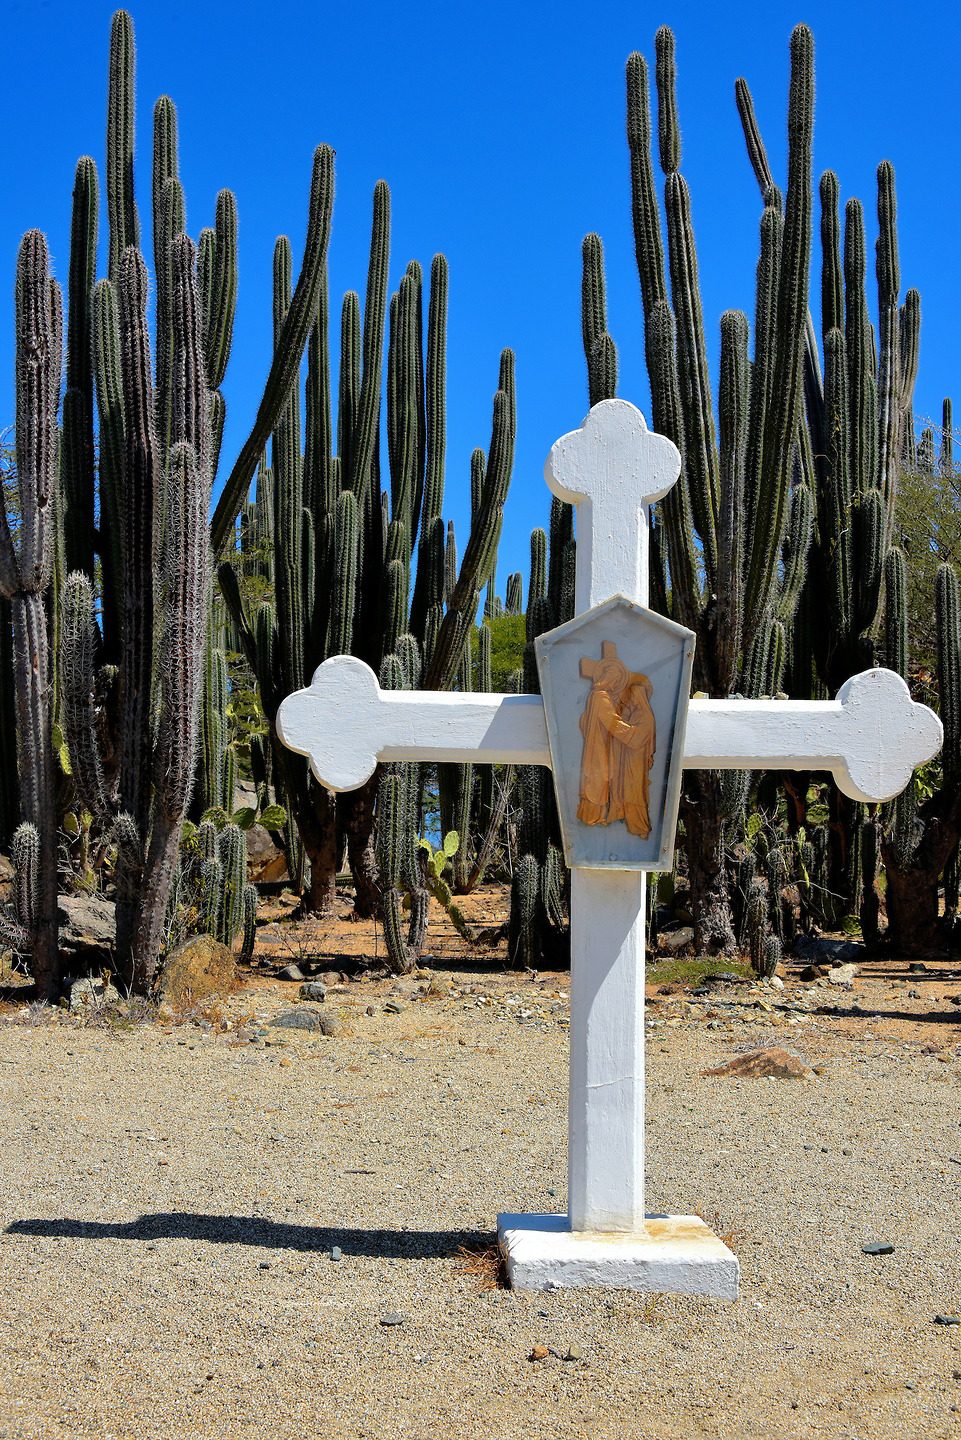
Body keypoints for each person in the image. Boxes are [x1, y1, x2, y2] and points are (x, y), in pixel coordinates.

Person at [576, 656, 632, 825]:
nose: (615, 685)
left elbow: (584, 721)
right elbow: (611, 722)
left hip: (600, 744)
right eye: (614, 681)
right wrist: (631, 733)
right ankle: (591, 816)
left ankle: (597, 815)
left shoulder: (595, 696)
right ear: (608, 679)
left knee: (601, 780)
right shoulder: (601, 697)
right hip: (599, 747)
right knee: (598, 780)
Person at [609, 675, 656, 838]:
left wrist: (616, 726)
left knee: (634, 794)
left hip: (636, 763)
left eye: (634, 696)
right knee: (626, 792)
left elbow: (635, 739)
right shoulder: (635, 714)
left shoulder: (646, 717)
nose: (632, 700)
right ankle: (629, 821)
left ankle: (640, 827)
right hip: (628, 759)